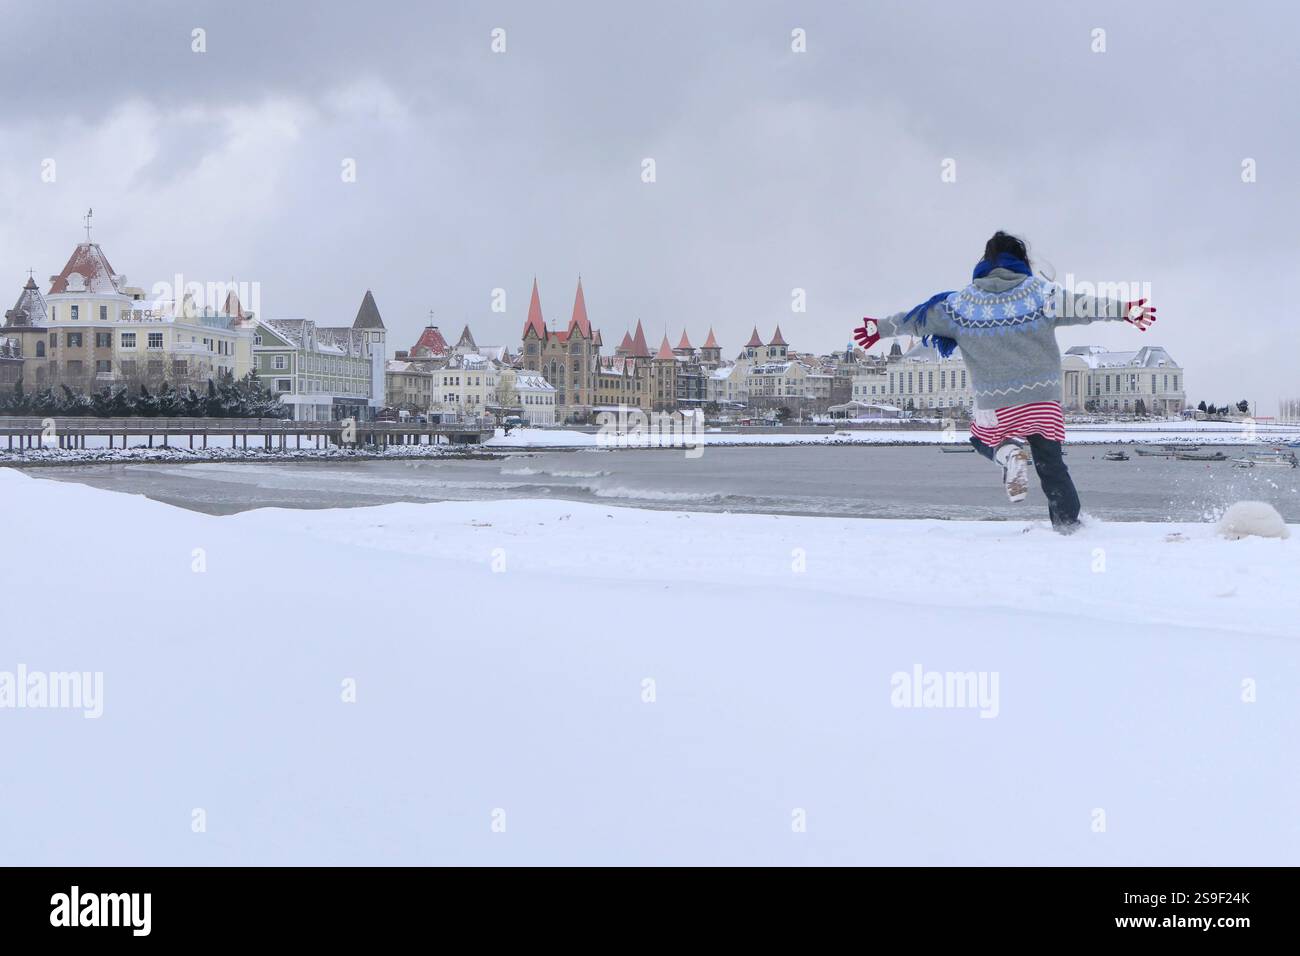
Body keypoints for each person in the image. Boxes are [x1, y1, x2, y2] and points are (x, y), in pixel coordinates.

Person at [853, 232, 1157, 533]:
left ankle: (1008, 453)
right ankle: (1067, 526)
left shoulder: (959, 305)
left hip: (996, 405)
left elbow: (916, 319)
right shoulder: (1041, 293)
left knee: (979, 438)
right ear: (1021, 260)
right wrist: (1126, 310)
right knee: (1051, 465)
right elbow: (1084, 305)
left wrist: (879, 329)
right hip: (1042, 401)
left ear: (986, 261)